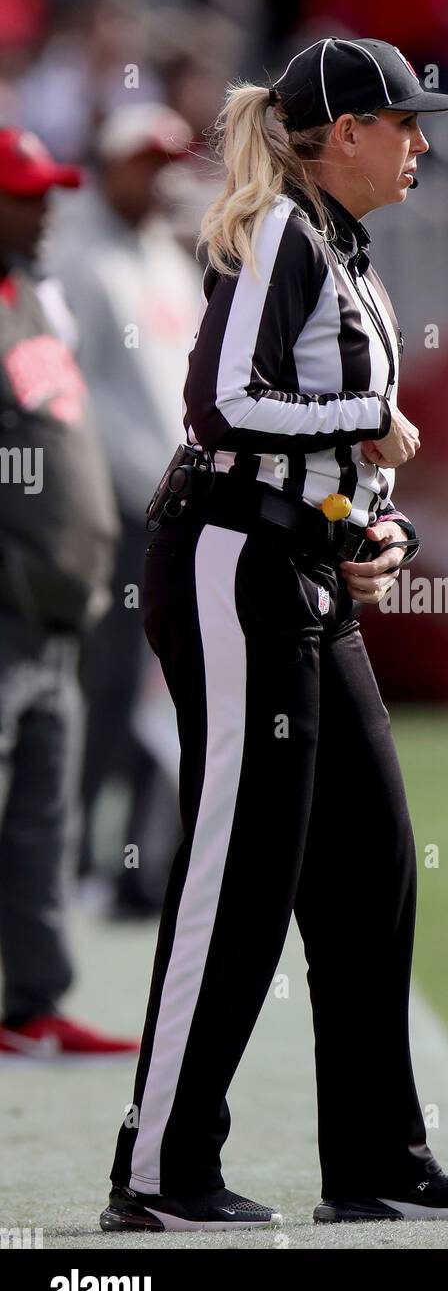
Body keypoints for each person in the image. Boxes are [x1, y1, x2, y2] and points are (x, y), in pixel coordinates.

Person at [99, 37, 448, 1231]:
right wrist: (369, 415)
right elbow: (223, 400)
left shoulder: (341, 248)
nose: (420, 141)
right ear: (342, 133)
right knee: (239, 869)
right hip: (232, 565)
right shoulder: (281, 227)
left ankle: (377, 1153)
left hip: (295, 566)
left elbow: (328, 453)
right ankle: (160, 1168)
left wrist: (383, 531)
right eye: (402, 120)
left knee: (369, 862)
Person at [0, 128, 136, 1057]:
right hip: (3, 605)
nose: (47, 209)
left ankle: (34, 1005)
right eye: (26, 193)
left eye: (50, 193)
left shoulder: (36, 297)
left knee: (44, 818)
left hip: (52, 609)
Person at [46, 104, 201, 917]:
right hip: (118, 513)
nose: (163, 178)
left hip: (174, 508)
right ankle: (70, 858)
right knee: (104, 689)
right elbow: (71, 399)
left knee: (169, 688)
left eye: (172, 164)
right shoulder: (79, 264)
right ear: (110, 167)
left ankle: (142, 867)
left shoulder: (166, 261)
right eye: (148, 162)